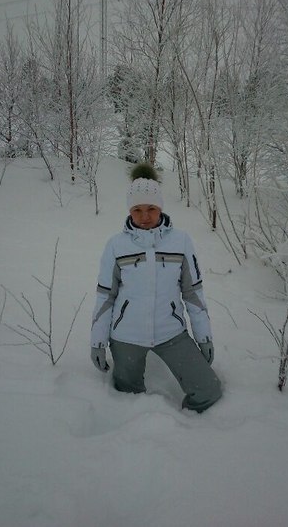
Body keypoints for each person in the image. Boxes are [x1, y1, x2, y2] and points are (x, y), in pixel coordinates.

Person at [90, 163, 222, 413]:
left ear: (160, 207)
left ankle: (186, 429)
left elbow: (193, 294)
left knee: (209, 391)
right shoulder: (116, 245)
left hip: (170, 333)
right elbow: (106, 296)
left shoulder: (181, 242)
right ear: (130, 211)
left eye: (151, 208)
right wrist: (97, 340)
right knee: (126, 400)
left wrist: (204, 337)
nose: (145, 216)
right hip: (126, 337)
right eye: (137, 210)